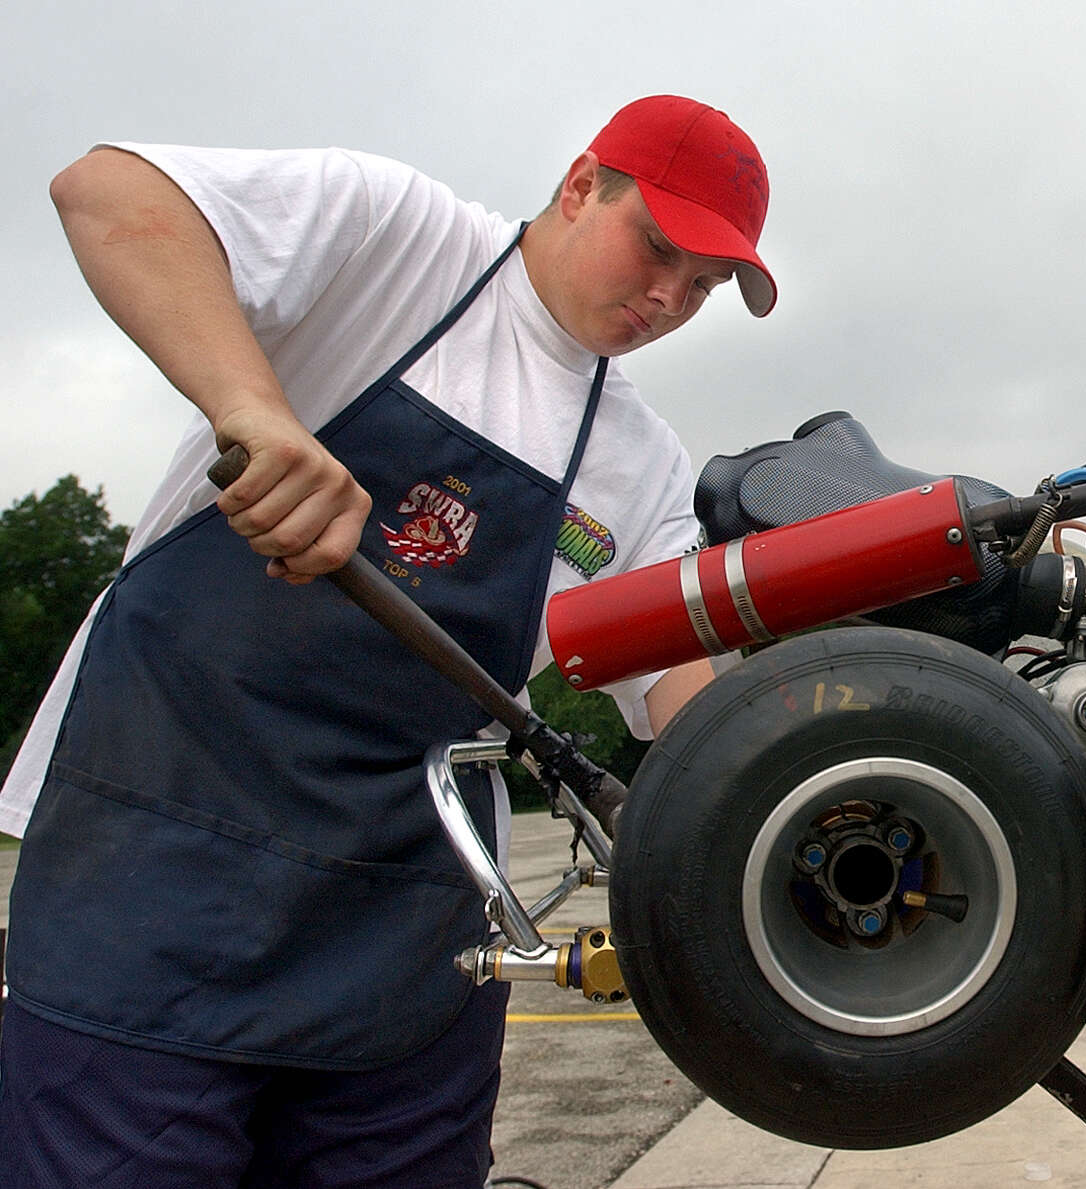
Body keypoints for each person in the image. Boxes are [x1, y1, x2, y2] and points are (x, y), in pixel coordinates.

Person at [0, 94, 774, 1187]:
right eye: (660, 248)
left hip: (406, 935)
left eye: (702, 288)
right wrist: (255, 412)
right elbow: (108, 192)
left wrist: (792, 811)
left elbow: (680, 693)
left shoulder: (638, 463)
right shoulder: (399, 243)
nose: (668, 296)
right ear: (579, 182)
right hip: (156, 860)